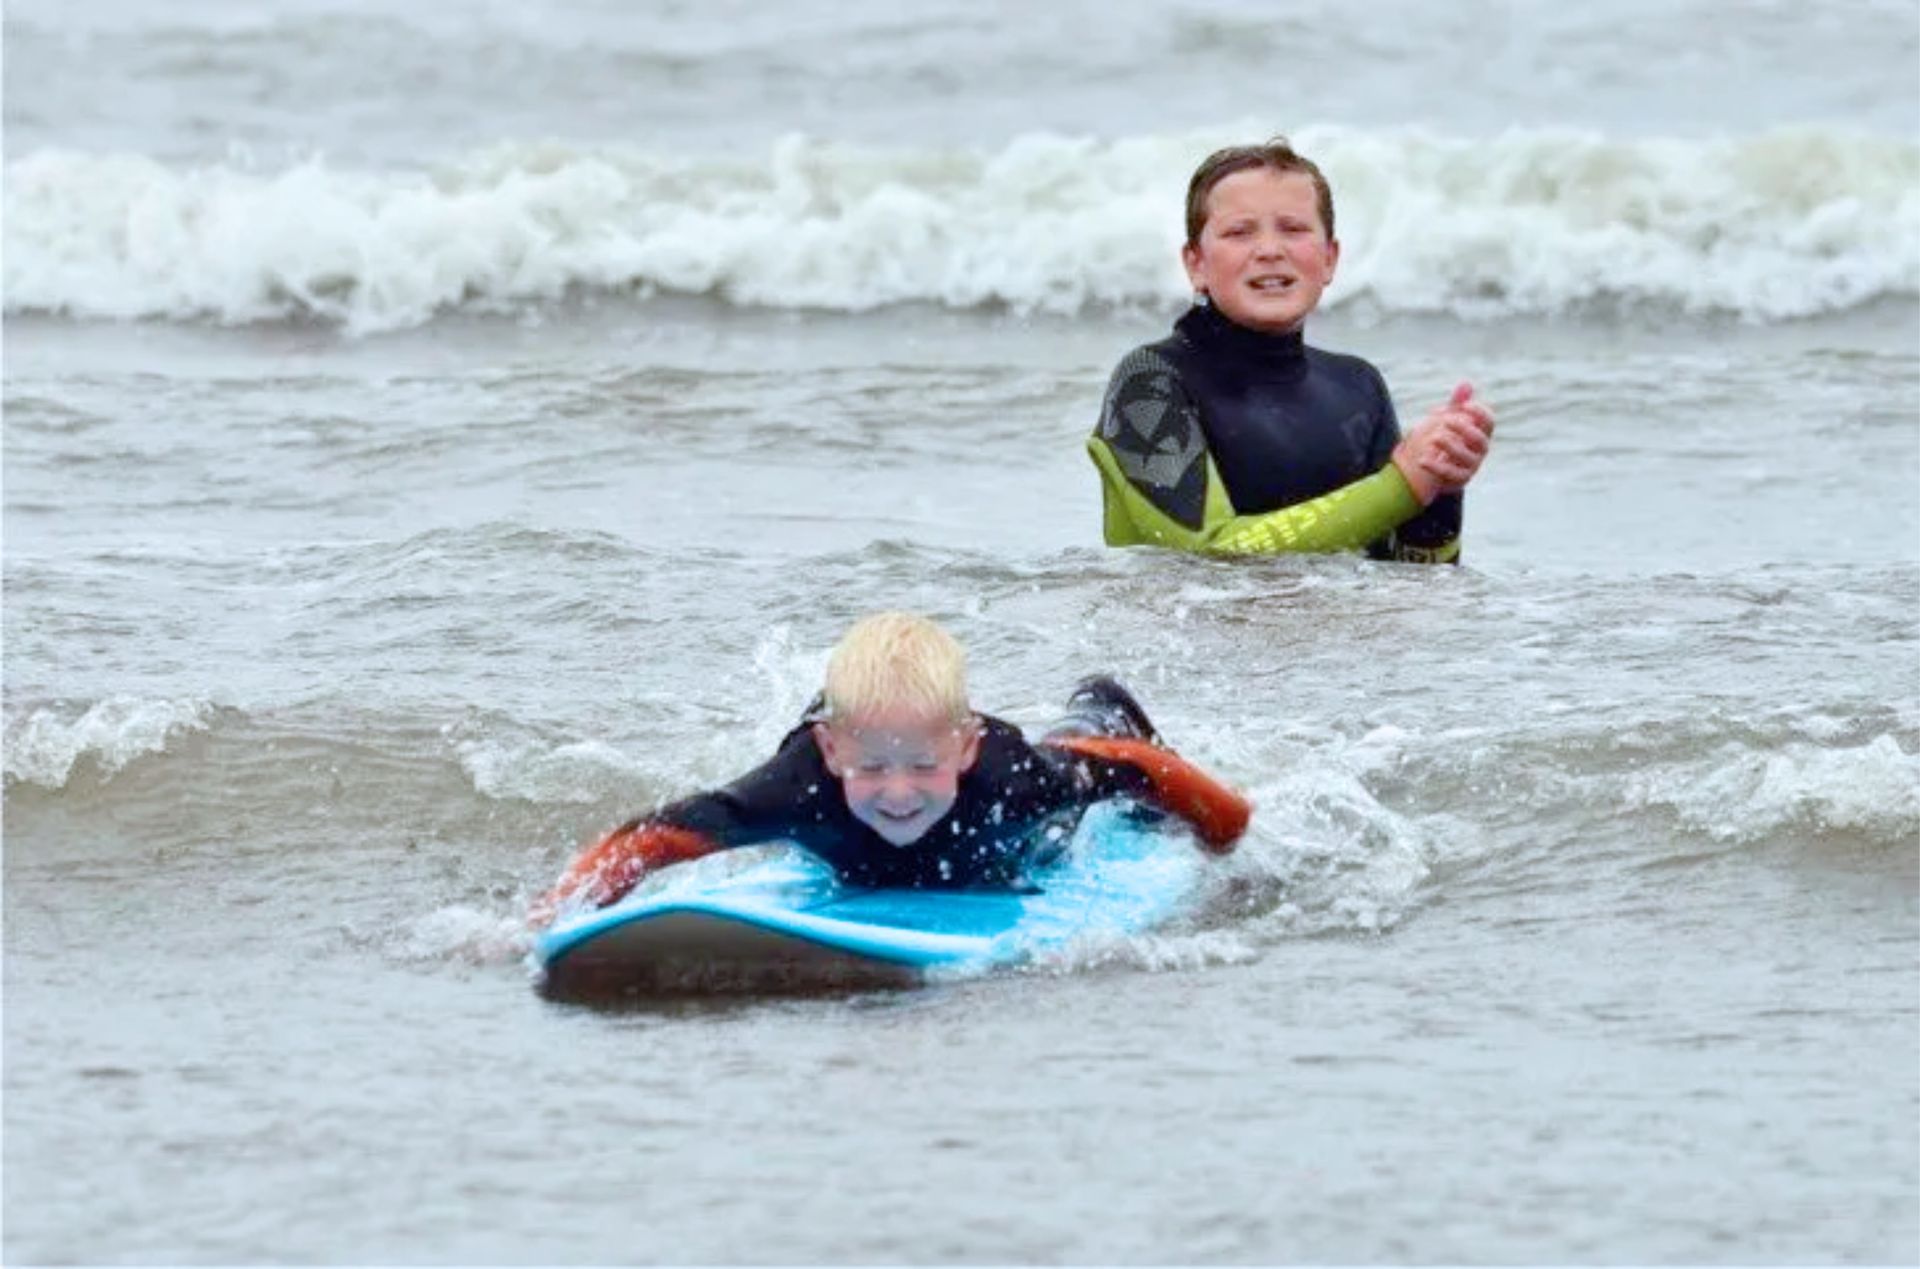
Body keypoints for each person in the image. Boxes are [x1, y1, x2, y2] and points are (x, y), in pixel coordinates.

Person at [529, 612, 1251, 924]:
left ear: (963, 751)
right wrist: (550, 919)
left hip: (1015, 765)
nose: (898, 792)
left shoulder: (1006, 775)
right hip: (855, 724)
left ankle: (1094, 699)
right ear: (833, 750)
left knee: (1077, 787)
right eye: (871, 767)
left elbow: (1136, 768)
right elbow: (656, 838)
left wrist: (1227, 839)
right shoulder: (801, 785)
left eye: (922, 766)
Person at [1088, 138, 1496, 563]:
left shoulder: (1358, 386)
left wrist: (1441, 485)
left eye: (1294, 229)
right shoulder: (1151, 381)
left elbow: (1410, 579)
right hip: (1191, 629)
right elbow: (1207, 558)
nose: (1269, 250)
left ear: (1329, 259)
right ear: (1197, 265)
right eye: (1239, 232)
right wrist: (1403, 485)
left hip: (1337, 631)